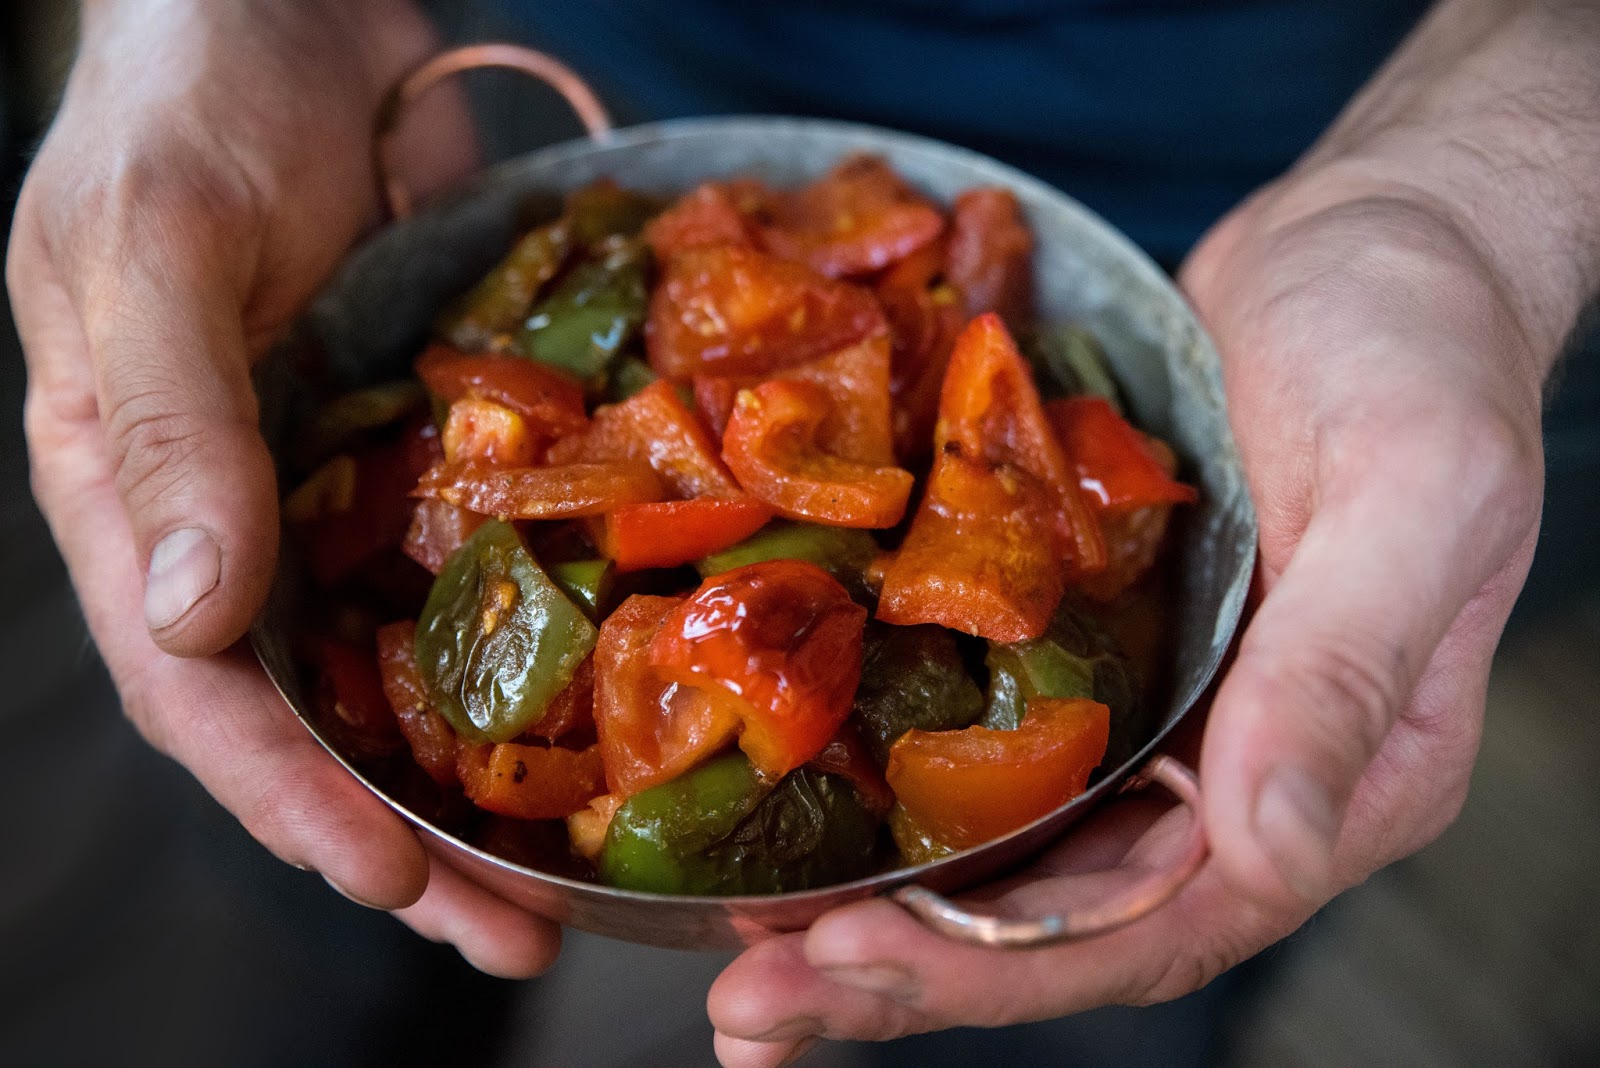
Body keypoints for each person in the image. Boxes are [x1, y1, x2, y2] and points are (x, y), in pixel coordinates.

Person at [7, 2, 1596, 1067]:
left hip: (1340, 203)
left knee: (1117, 943)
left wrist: (1468, 194)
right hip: (586, 54)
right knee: (312, 897)